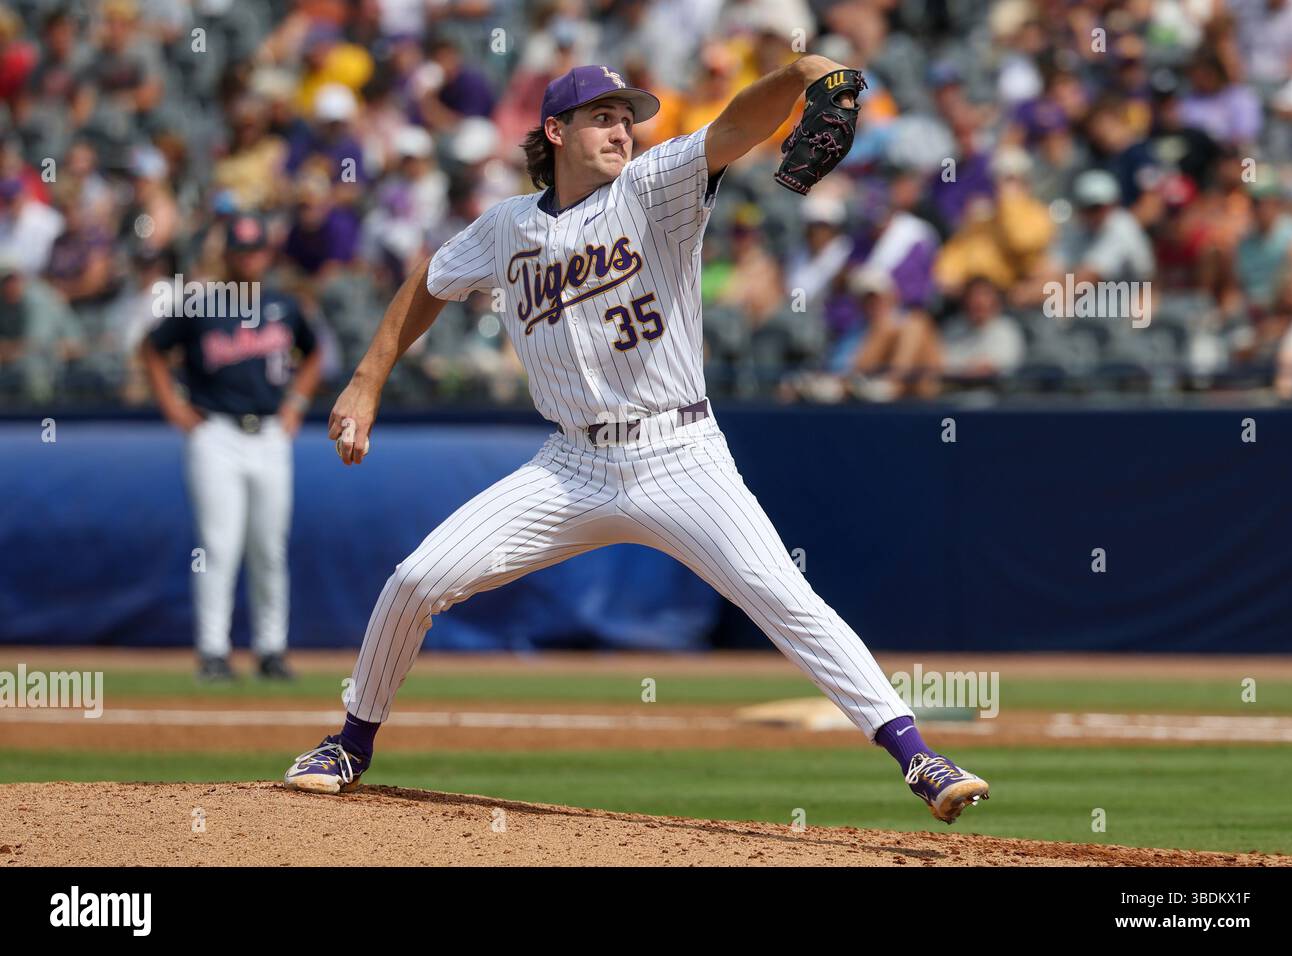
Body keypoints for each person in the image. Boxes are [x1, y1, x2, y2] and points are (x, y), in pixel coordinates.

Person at [282, 61, 990, 824]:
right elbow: (429, 280)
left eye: (628, 116)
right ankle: (350, 741)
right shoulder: (505, 226)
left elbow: (734, 126)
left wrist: (800, 75)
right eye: (602, 117)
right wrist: (366, 379)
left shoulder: (655, 185)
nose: (623, 128)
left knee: (783, 596)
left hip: (679, 452)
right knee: (418, 579)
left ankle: (916, 754)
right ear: (555, 131)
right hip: (570, 464)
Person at [140, 213, 322, 681]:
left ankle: (270, 649)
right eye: (241, 250)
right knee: (218, 546)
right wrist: (171, 405)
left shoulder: (284, 302)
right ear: (227, 254)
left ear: (267, 252)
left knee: (269, 547)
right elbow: (150, 347)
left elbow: (316, 351)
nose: (249, 258)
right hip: (215, 432)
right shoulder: (201, 303)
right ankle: (213, 651)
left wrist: (297, 403)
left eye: (255, 249)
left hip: (268, 433)